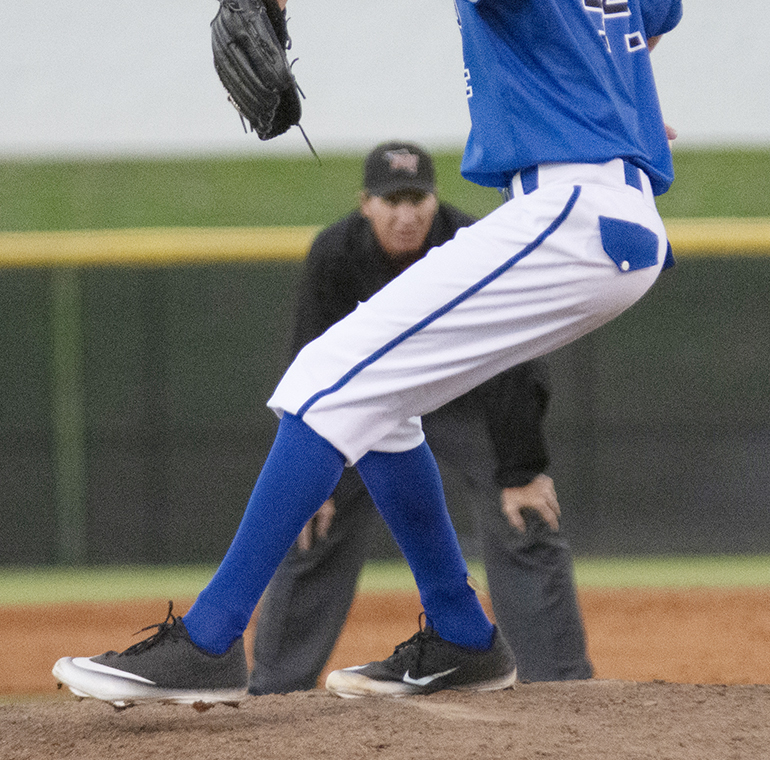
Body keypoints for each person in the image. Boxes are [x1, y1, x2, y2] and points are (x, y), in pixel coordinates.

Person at [53, 0, 680, 706]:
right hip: (607, 214)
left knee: (325, 375)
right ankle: (466, 636)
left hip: (574, 213)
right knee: (377, 401)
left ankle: (213, 638)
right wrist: (627, 103)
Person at [248, 141, 593, 695]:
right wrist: (315, 482)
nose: (406, 215)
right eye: (392, 201)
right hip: (371, 405)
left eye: (418, 199)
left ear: (435, 201)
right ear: (366, 204)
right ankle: (275, 690)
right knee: (315, 519)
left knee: (524, 514)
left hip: (465, 399)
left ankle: (562, 686)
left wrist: (522, 471)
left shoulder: (472, 242)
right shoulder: (335, 255)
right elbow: (309, 363)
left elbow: (514, 359)